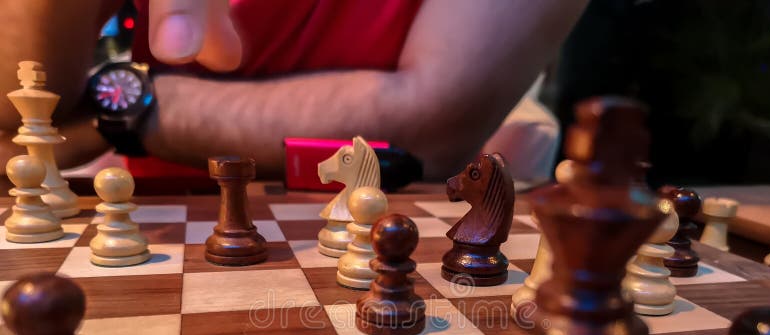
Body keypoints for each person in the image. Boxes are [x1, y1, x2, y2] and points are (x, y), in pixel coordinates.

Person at [0, 0, 587, 180]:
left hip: (383, 246)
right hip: (153, 237)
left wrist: (119, 103)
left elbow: (430, 127)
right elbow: (17, 103)